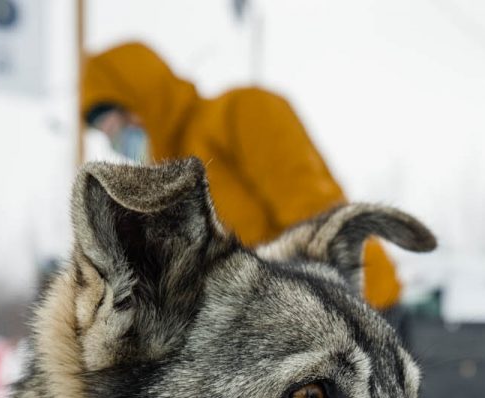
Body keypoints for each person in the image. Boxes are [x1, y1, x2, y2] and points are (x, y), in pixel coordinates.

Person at [80, 41, 402, 311]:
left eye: (115, 121)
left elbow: (316, 219)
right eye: (104, 131)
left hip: (360, 309)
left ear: (144, 96)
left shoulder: (240, 112)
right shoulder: (168, 197)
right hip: (291, 340)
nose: (115, 139)